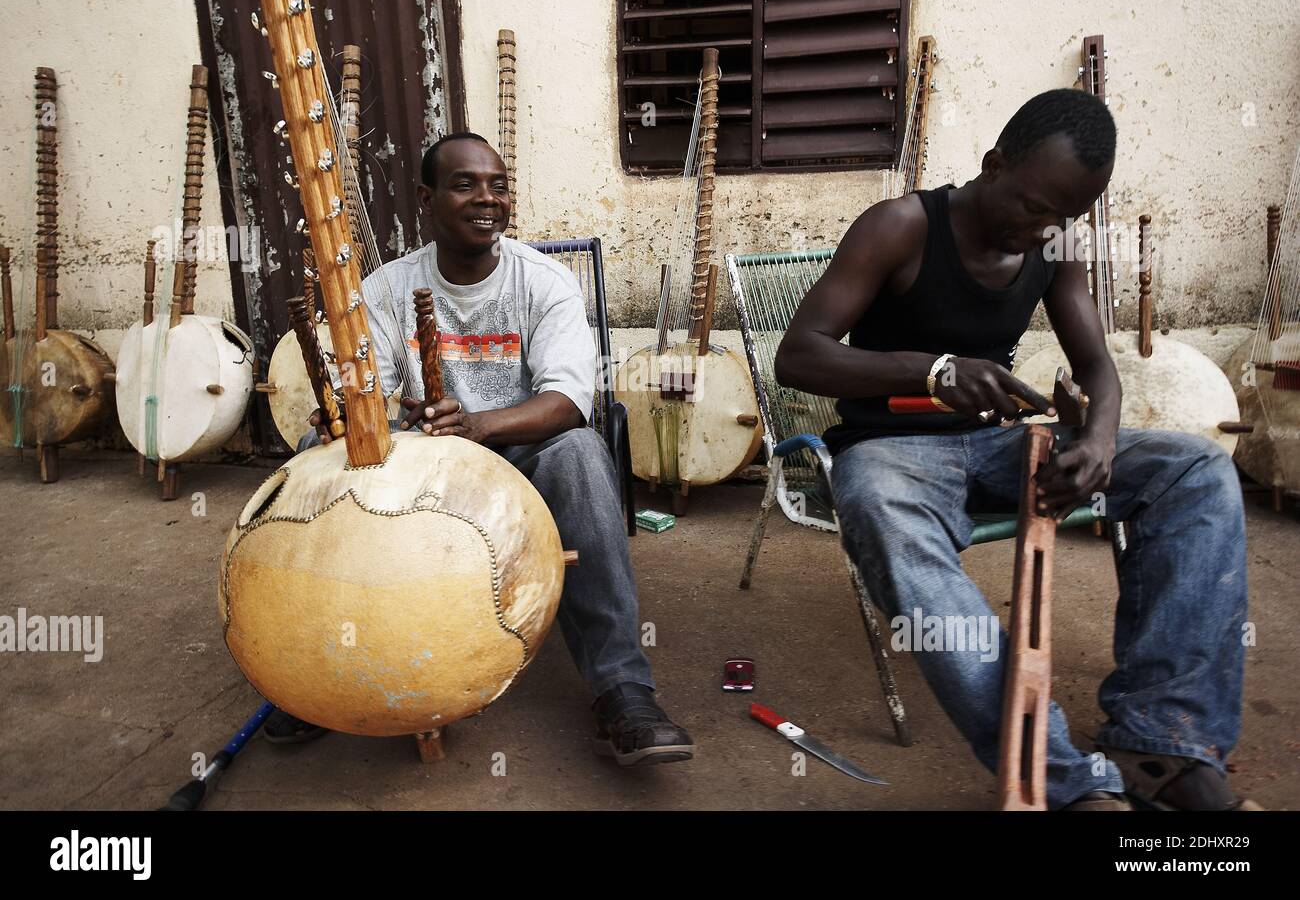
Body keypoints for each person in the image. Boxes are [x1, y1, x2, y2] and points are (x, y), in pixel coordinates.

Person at [775, 89, 1257, 810]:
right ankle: (1064, 780)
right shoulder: (901, 226)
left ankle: (1165, 745)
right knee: (880, 510)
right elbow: (799, 357)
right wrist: (933, 370)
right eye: (1034, 207)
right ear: (994, 164)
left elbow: (1096, 365)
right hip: (891, 451)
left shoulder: (1054, 245)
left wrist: (1096, 439)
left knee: (1196, 470)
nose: (1045, 230)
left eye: (1066, 216)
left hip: (1000, 448)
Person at [265, 132, 695, 767]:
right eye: (465, 184)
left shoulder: (544, 283)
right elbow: (372, 397)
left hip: (520, 463)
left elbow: (569, 402)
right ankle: (318, 672)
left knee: (579, 451)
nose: (485, 199)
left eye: (497, 185)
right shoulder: (386, 290)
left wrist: (480, 426)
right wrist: (374, 415)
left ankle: (622, 689)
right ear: (427, 198)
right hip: (419, 469)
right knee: (313, 451)